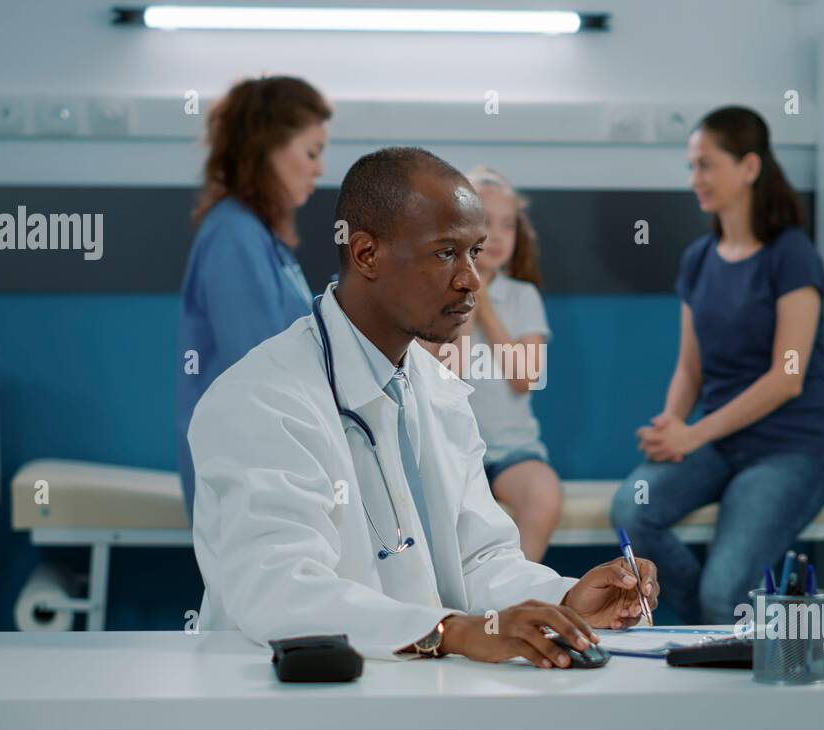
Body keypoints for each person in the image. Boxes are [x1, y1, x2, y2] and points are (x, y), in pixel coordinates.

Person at [189, 147, 659, 666]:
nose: (470, 280)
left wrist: (565, 600)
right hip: (283, 699)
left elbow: (479, 557)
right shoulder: (263, 397)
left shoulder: (439, 392)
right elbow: (279, 589)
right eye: (445, 253)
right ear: (366, 254)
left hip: (410, 691)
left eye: (475, 252)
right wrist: (449, 631)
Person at [610, 106, 824, 625]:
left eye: (706, 165)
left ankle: (706, 627)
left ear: (749, 168)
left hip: (788, 452)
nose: (695, 180)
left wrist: (692, 435)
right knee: (632, 510)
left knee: (725, 591)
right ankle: (696, 627)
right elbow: (691, 369)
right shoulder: (699, 259)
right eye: (692, 167)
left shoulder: (792, 254)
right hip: (716, 443)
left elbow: (788, 375)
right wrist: (673, 422)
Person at [176, 76, 331, 516]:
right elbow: (260, 366)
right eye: (312, 152)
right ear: (268, 149)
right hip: (246, 470)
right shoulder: (234, 235)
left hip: (268, 462)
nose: (319, 169)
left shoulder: (261, 239)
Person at [420, 166, 560, 562]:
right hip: (453, 451)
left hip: (514, 451)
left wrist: (485, 311)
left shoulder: (523, 296)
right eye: (485, 224)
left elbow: (525, 378)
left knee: (545, 495)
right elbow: (448, 376)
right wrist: (465, 299)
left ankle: (521, 593)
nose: (497, 236)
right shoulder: (433, 297)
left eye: (507, 226)